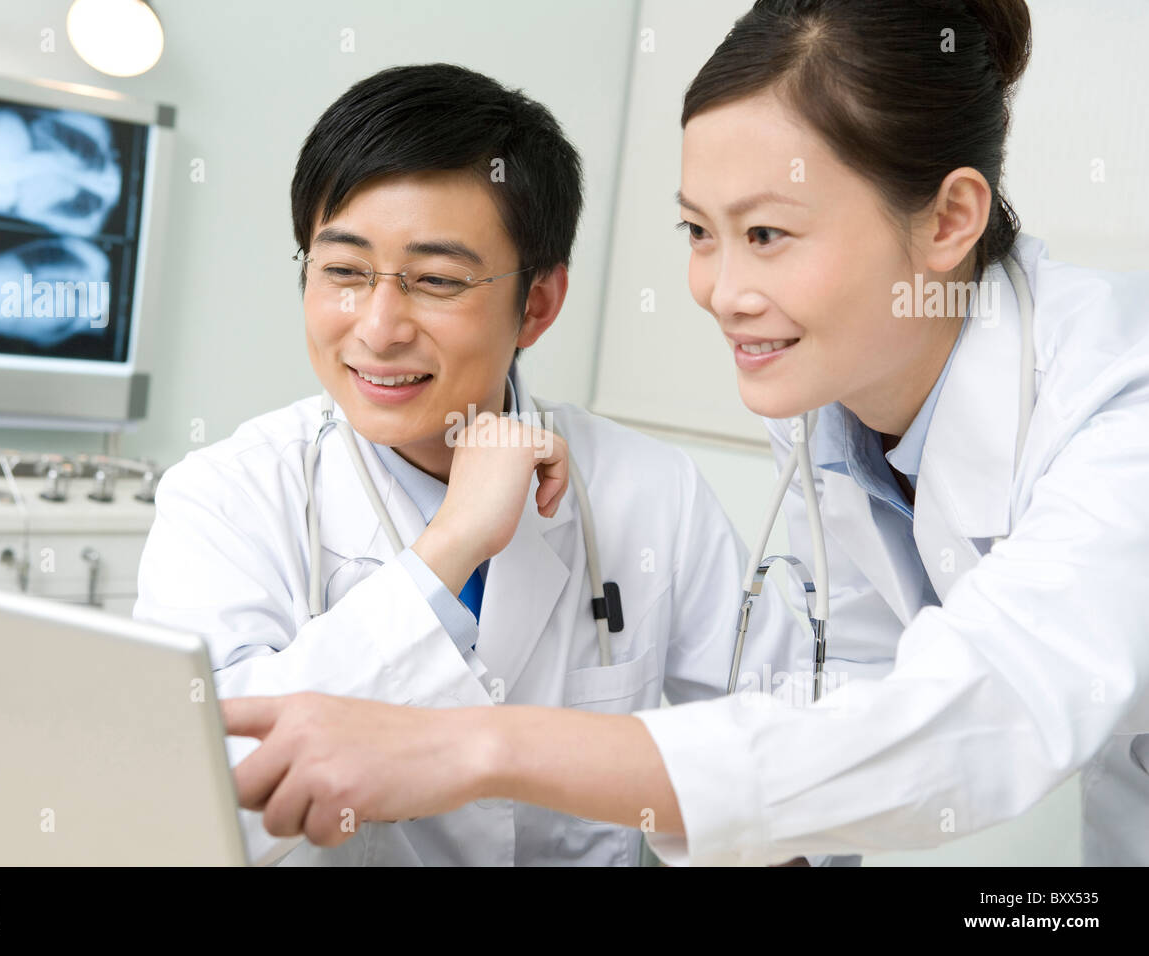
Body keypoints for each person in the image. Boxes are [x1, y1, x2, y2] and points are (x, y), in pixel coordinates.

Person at [222, 0, 1149, 866]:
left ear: (950, 219)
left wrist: (479, 745)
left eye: (769, 234)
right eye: (700, 232)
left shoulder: (1118, 403)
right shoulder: (834, 415)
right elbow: (841, 708)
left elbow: (969, 717)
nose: (722, 291)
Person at [133, 63, 813, 866]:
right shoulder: (224, 498)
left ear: (538, 304)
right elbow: (200, 813)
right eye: (344, 271)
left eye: (437, 281)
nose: (379, 328)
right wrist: (447, 548)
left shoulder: (650, 492)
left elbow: (793, 768)